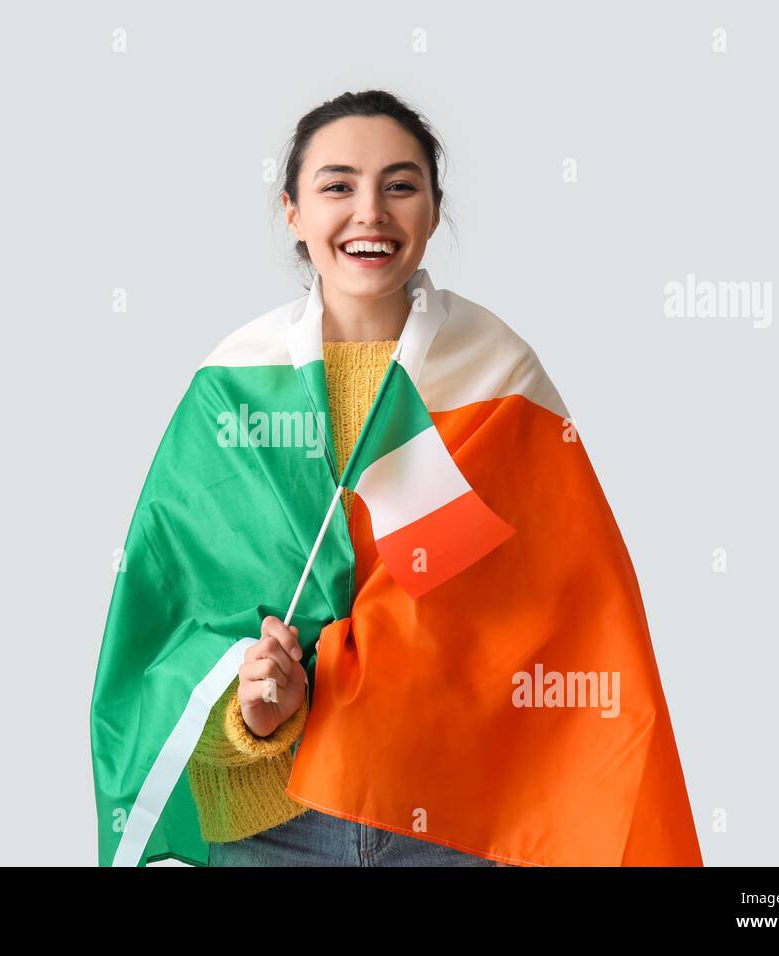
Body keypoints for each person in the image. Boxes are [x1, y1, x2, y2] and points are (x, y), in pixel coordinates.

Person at [186, 90, 506, 866]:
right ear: (292, 210)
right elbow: (176, 625)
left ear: (433, 212)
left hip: (456, 812)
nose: (371, 212)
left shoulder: (496, 377)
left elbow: (559, 609)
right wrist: (255, 713)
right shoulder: (234, 386)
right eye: (337, 185)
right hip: (280, 823)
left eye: (400, 185)